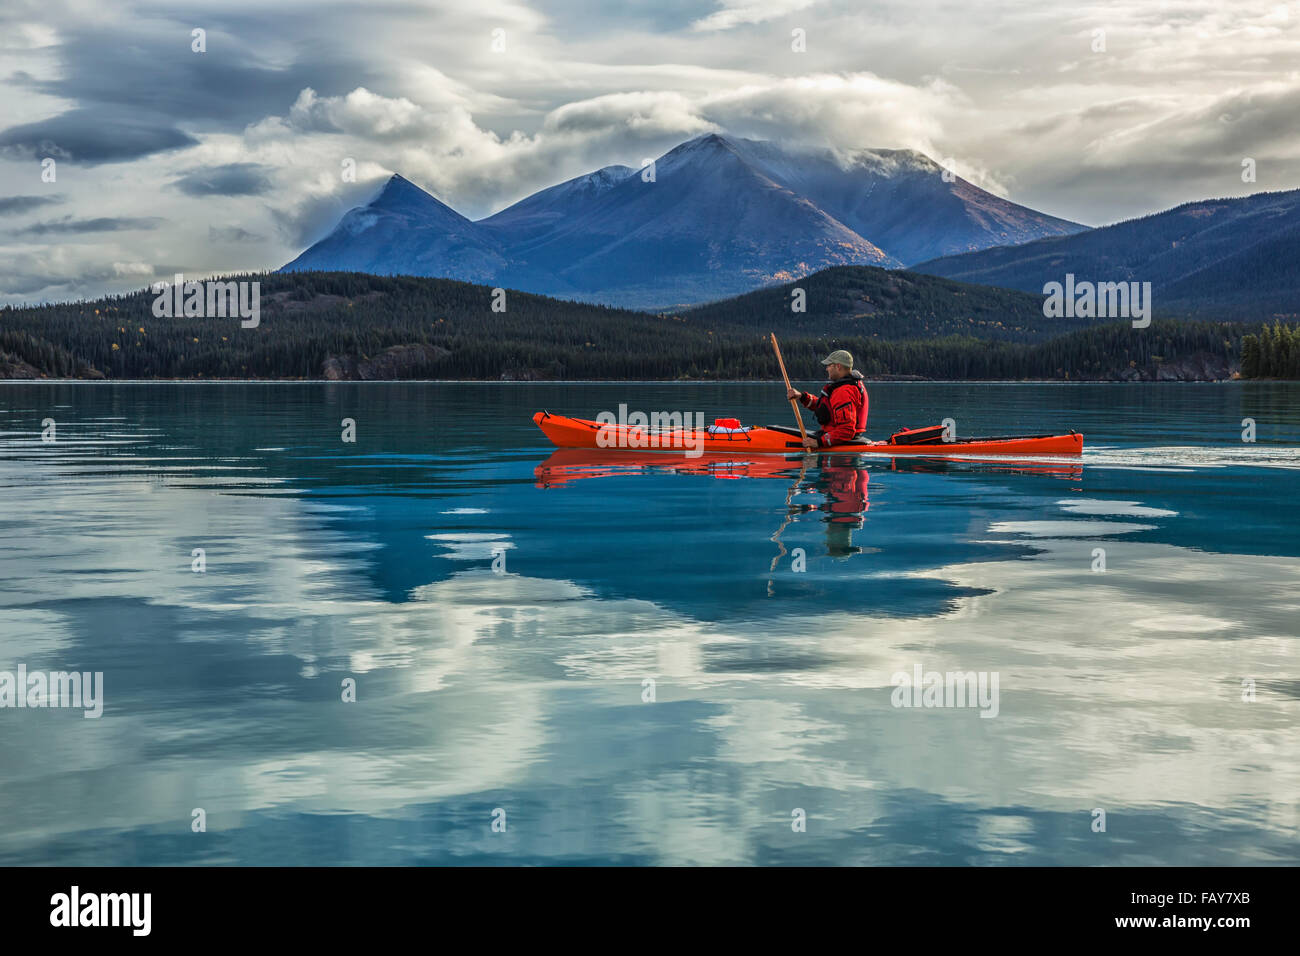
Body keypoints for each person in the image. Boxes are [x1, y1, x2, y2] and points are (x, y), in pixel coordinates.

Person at [785, 349, 868, 449]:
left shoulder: (844, 391)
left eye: (829, 365)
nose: (826, 369)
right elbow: (826, 409)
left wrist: (818, 443)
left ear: (838, 366)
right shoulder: (846, 386)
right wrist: (802, 397)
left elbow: (846, 430)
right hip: (835, 436)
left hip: (841, 442)